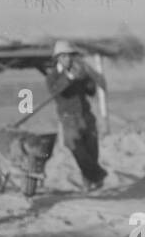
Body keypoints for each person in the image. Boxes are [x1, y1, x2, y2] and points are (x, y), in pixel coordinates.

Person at [39, 40, 108, 190]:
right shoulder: (52, 77)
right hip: (69, 119)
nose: (68, 59)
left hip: (86, 116)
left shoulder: (80, 72)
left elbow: (91, 92)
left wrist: (90, 81)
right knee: (77, 149)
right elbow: (57, 91)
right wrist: (69, 78)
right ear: (58, 58)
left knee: (92, 151)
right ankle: (97, 175)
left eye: (70, 56)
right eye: (64, 56)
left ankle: (88, 184)